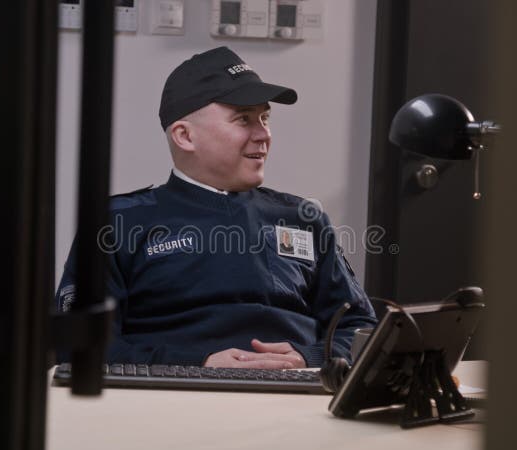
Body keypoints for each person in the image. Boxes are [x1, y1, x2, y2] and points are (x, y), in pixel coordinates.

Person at [56, 46, 377, 369]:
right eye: (243, 119)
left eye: (265, 118)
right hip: (173, 396)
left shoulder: (303, 218)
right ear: (185, 136)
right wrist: (196, 364)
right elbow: (77, 345)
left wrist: (307, 357)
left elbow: (362, 329)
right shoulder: (118, 222)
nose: (264, 134)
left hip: (296, 390)